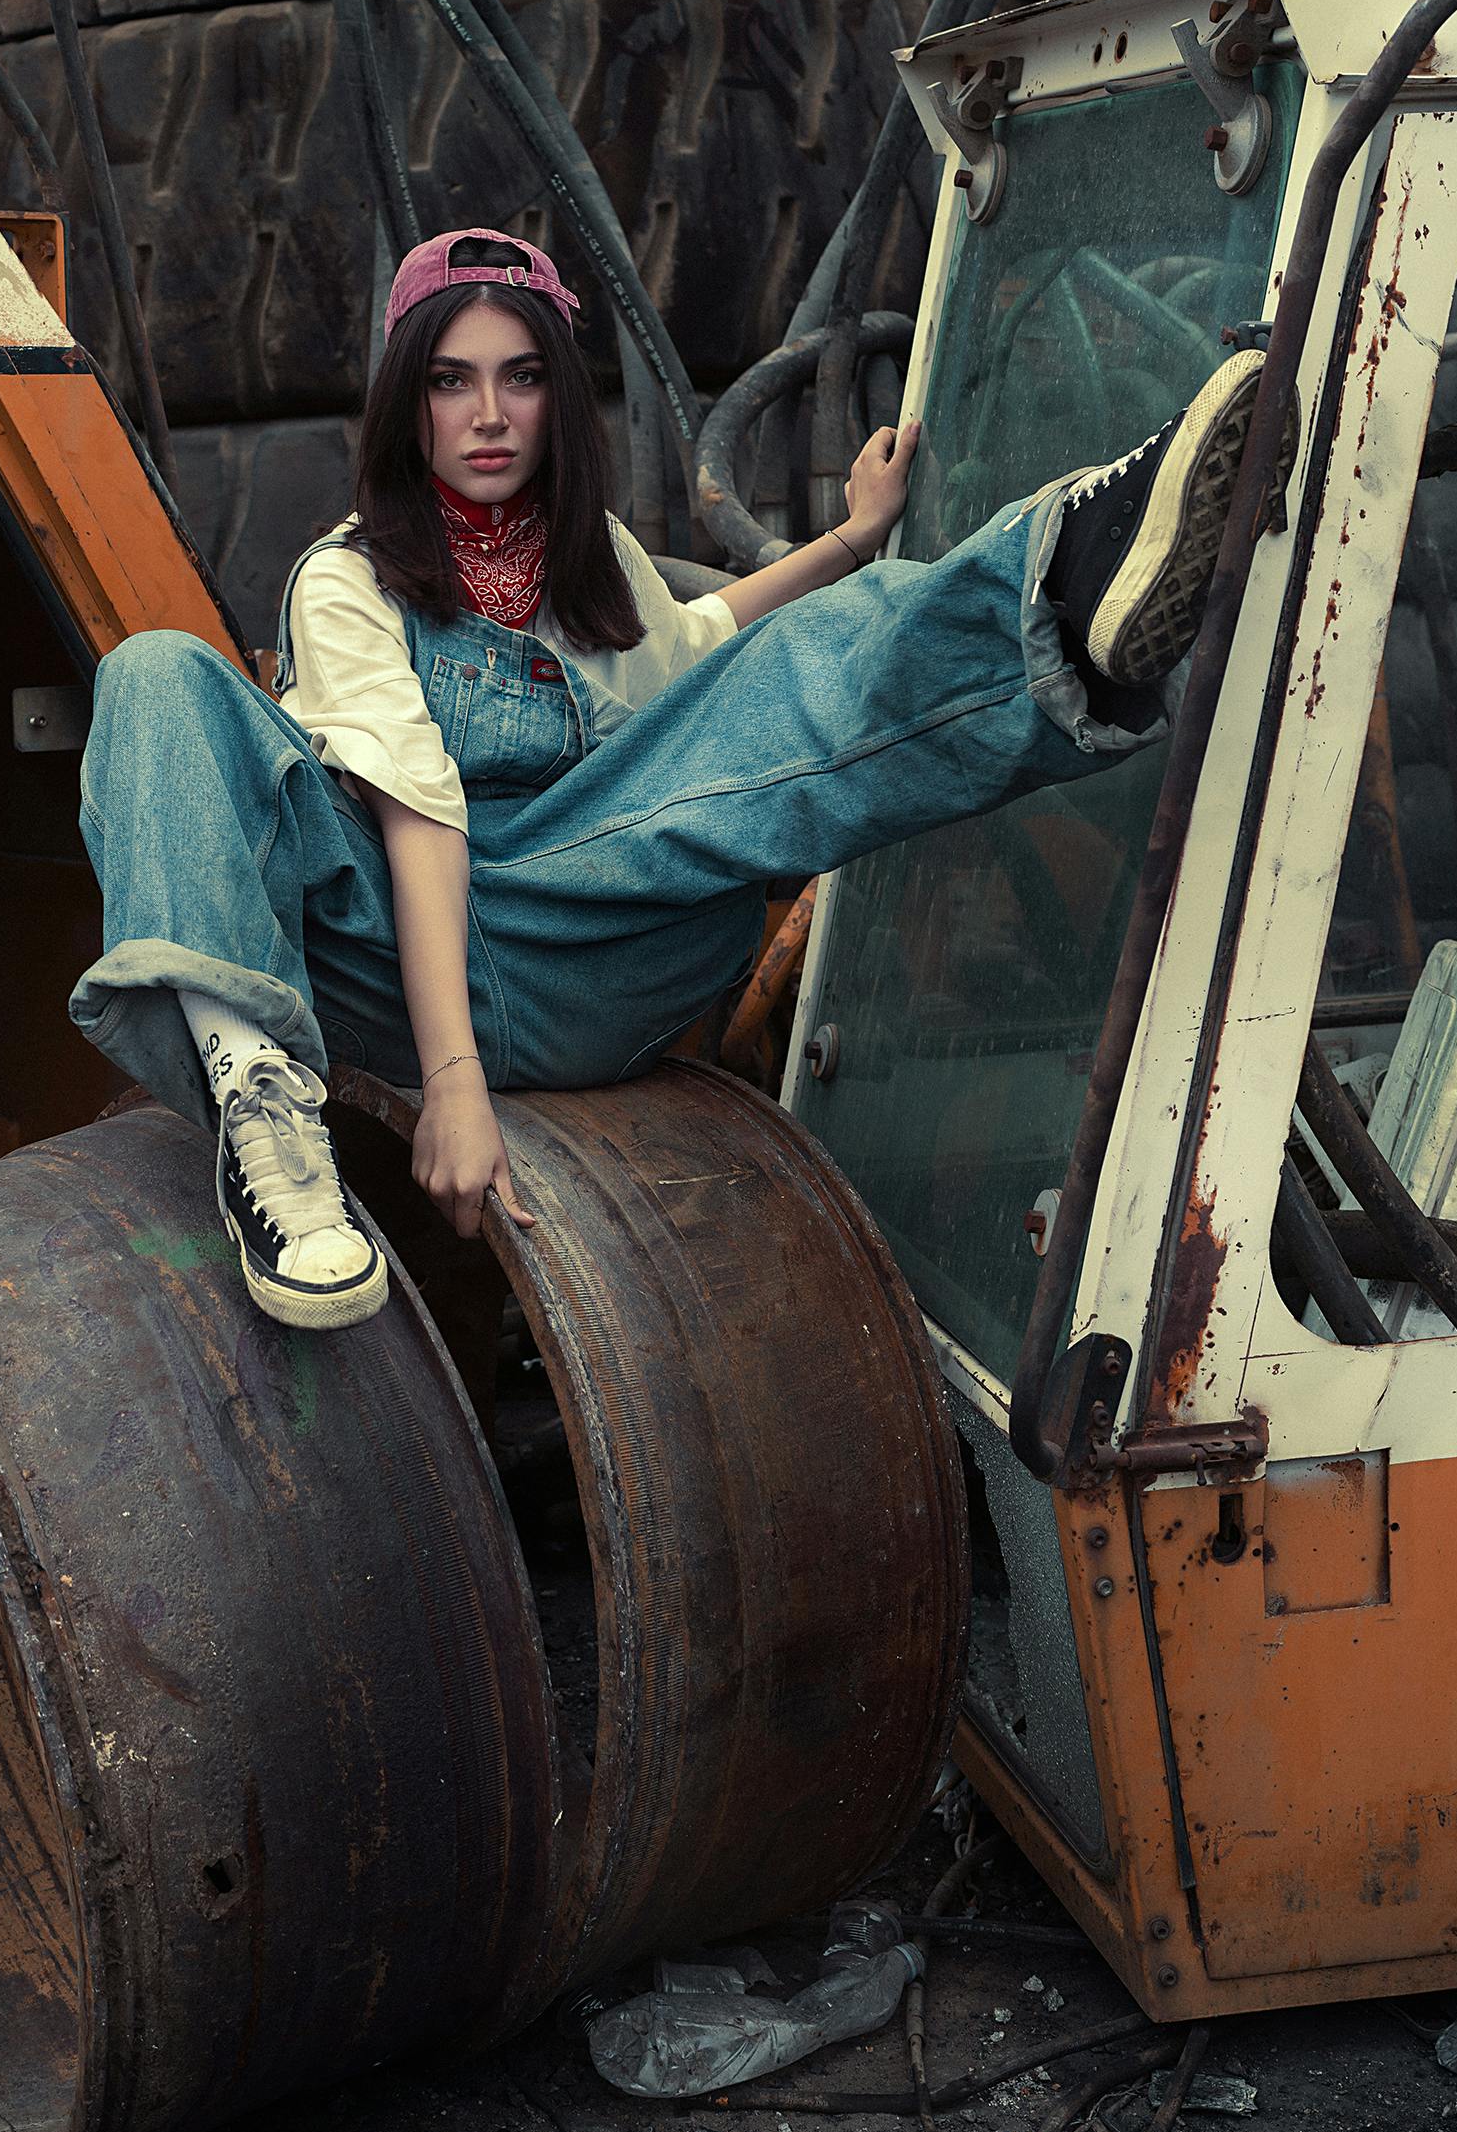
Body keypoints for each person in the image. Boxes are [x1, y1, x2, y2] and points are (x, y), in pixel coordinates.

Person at [72, 228, 1279, 1329]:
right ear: (408, 406)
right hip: (389, 955)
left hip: (590, 943)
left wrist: (853, 543)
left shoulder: (589, 558)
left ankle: (1070, 593)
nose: (488, 414)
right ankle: (264, 1123)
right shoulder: (348, 581)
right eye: (452, 380)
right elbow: (419, 812)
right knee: (157, 673)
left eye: (522, 375)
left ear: (557, 399)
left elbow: (702, 658)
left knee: (775, 677)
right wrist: (451, 1087)